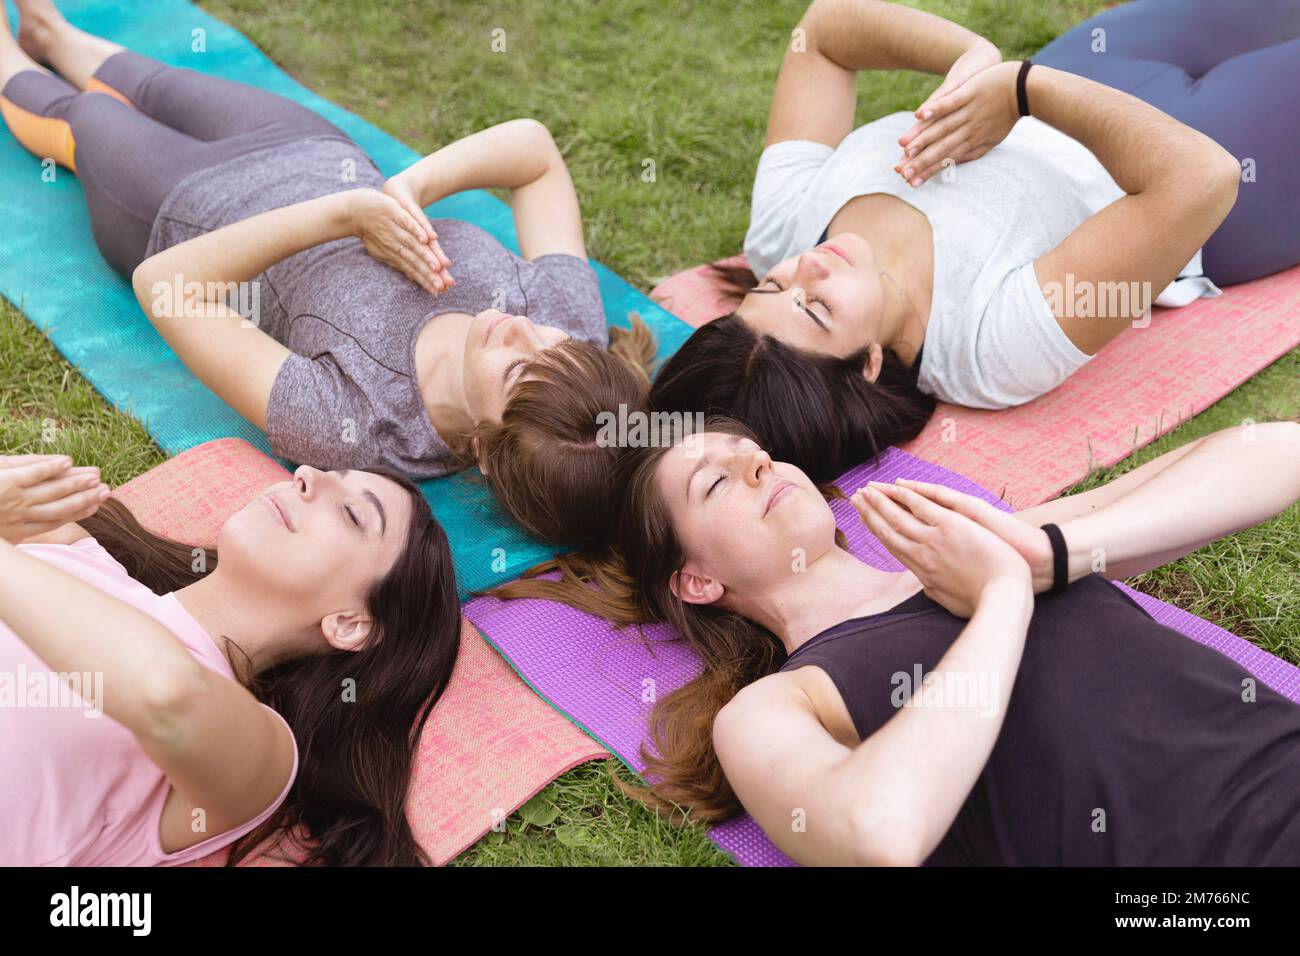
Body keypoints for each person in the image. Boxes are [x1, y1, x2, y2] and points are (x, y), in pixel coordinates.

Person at [0, 0, 654, 548]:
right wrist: (409, 186)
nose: (522, 332)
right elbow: (535, 153)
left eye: (515, 370)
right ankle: (53, 33)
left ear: (484, 453)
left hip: (183, 214)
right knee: (157, 84)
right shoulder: (569, 334)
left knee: (88, 118)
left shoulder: (362, 426)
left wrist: (342, 216)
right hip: (308, 148)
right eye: (552, 344)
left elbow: (167, 286)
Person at [529, 418, 1300, 864]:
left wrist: (1050, 555)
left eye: (749, 451)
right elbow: (880, 833)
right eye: (718, 483)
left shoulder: (993, 546)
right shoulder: (770, 709)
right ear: (696, 580)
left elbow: (1275, 449)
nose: (757, 462)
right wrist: (999, 598)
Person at [649, 0, 1297, 482]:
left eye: (772, 284)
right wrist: (1019, 90)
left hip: (1079, 71)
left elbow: (817, 33)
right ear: (868, 364)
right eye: (815, 308)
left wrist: (971, 59)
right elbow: (1199, 178)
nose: (807, 267)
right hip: (1215, 168)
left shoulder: (781, 231)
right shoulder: (990, 349)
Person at [0, 453, 461, 866]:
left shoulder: (265, 754)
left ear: (348, 623)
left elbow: (166, 693)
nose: (306, 475)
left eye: (352, 514)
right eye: (324, 472)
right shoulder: (67, 546)